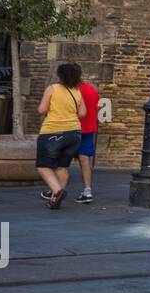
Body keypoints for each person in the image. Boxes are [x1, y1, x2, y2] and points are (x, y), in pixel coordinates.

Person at [36, 63, 86, 210]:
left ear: (60, 75)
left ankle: (57, 191)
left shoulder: (52, 89)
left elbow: (42, 109)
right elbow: (83, 113)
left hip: (52, 132)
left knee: (43, 166)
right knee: (62, 166)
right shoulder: (77, 91)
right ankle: (54, 199)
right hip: (74, 133)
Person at [72, 73, 101, 203]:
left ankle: (56, 190)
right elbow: (97, 107)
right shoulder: (92, 90)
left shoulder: (71, 91)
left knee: (61, 160)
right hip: (89, 128)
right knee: (85, 160)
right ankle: (87, 191)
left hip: (72, 128)